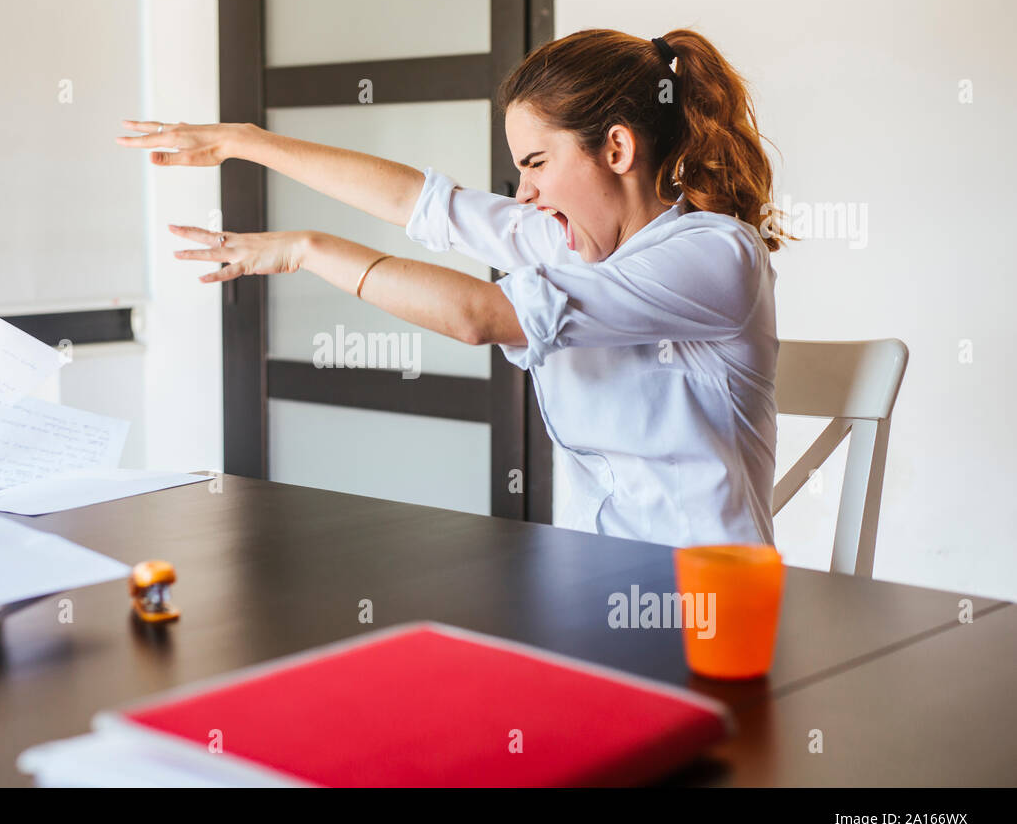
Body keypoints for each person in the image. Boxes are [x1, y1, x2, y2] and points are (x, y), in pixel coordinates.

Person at [117, 28, 791, 548]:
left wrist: (306, 249)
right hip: (593, 582)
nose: (523, 193)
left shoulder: (714, 254)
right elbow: (421, 202)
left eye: (535, 163)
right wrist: (248, 141)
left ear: (616, 150)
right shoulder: (563, 241)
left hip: (708, 609)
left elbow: (482, 315)